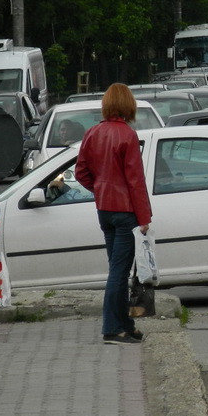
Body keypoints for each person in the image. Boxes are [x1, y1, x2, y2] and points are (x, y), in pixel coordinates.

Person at [75, 84, 152, 346]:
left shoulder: (92, 133)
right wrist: (144, 218)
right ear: (129, 105)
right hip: (126, 212)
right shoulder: (127, 135)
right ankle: (112, 328)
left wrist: (99, 188)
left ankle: (126, 325)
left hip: (104, 210)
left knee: (117, 269)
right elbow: (135, 181)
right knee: (119, 272)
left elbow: (81, 172)